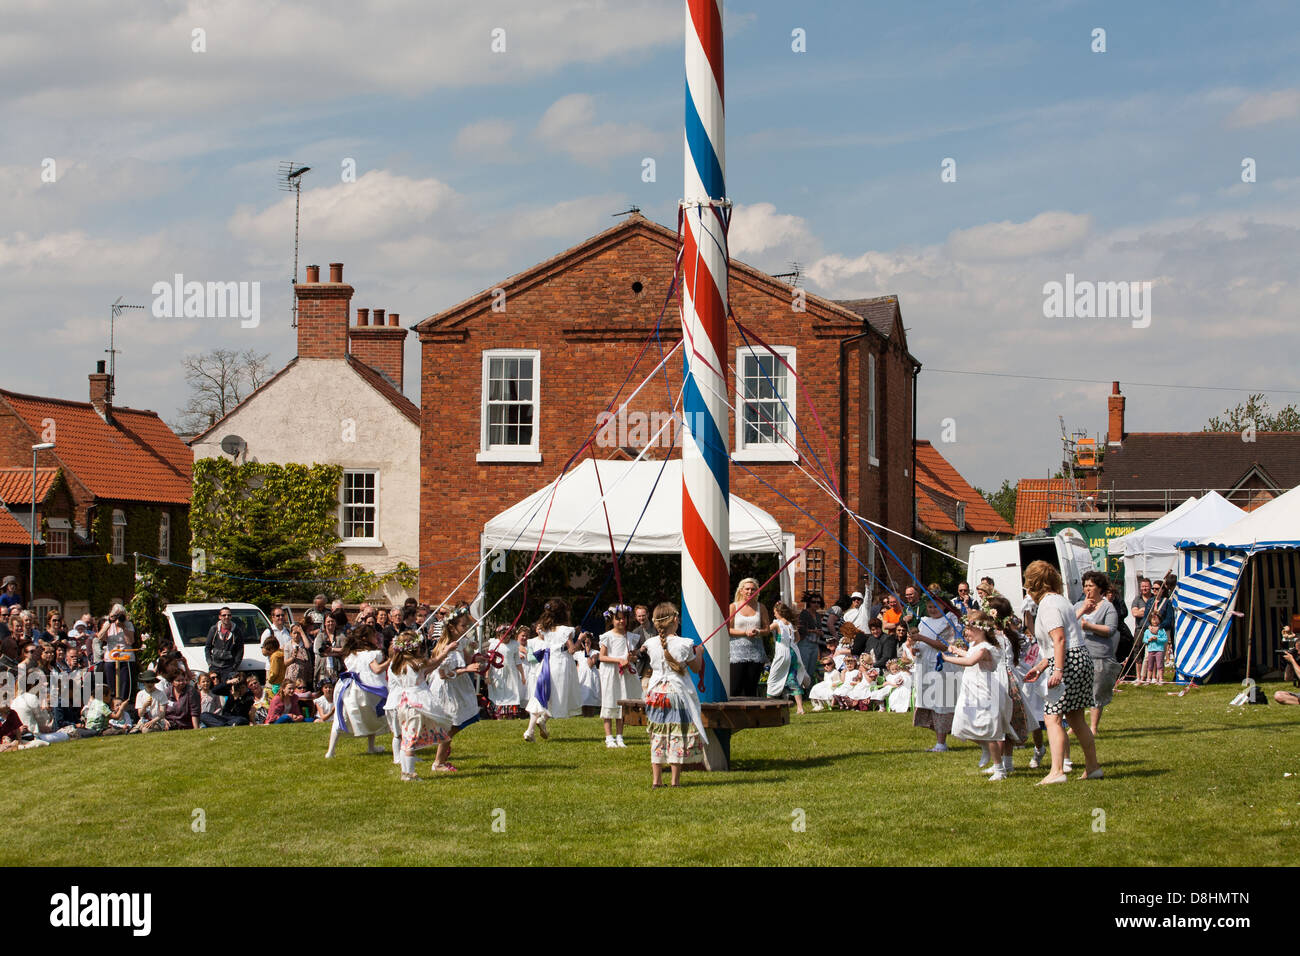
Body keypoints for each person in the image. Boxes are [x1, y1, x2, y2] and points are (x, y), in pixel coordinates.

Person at [1021, 560, 1102, 784]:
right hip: (1080, 658)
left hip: (1068, 661)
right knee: (1076, 719)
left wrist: (1057, 670)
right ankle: (1093, 767)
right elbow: (1060, 642)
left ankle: (1057, 771)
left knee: (1052, 717)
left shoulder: (1048, 605)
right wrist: (1039, 667)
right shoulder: (1061, 601)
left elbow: (1059, 639)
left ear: (1034, 583)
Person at [643, 602, 707, 787]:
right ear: (675, 619)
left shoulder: (650, 643)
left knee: (658, 734)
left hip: (655, 693)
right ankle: (675, 781)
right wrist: (700, 653)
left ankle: (656, 780)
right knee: (676, 735)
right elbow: (695, 669)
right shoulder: (685, 644)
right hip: (676, 693)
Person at [943, 613, 1012, 780]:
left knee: (988, 729)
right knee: (962, 725)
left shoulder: (985, 648)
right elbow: (968, 655)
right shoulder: (976, 645)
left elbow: (970, 661)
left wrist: (947, 658)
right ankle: (987, 750)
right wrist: (957, 650)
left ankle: (999, 769)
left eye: (970, 628)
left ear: (980, 630)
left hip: (983, 691)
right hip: (971, 691)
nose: (967, 632)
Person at [386, 630, 456, 781]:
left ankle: (406, 773)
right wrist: (447, 650)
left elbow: (429, 668)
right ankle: (409, 774)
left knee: (406, 739)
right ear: (414, 648)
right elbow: (434, 662)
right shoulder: (417, 663)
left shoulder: (399, 664)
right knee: (410, 741)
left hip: (404, 704)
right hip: (416, 703)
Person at [425, 606, 484, 771]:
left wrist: (477, 658)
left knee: (459, 722)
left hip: (458, 687)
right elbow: (443, 674)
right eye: (463, 626)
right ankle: (439, 762)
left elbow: (467, 658)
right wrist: (466, 669)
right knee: (451, 725)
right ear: (452, 627)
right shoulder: (445, 647)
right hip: (447, 689)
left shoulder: (461, 643)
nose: (466, 629)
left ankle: (443, 750)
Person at [325, 625, 389, 758]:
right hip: (366, 687)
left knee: (340, 717)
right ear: (365, 638)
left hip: (347, 687)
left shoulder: (351, 652)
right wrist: (391, 660)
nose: (376, 637)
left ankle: (330, 751)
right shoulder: (370, 654)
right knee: (371, 714)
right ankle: (371, 747)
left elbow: (342, 652)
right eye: (373, 635)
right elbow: (377, 670)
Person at [524, 598, 582, 741]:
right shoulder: (566, 630)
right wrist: (580, 638)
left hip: (546, 664)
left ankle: (530, 731)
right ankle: (543, 719)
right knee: (558, 695)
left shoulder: (544, 629)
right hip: (561, 664)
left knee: (541, 696)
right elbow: (572, 650)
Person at [910, 599, 961, 752]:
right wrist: (916, 648)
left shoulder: (948, 621)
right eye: (930, 607)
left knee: (941, 701)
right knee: (930, 700)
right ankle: (939, 740)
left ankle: (941, 742)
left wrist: (922, 638)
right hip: (925, 665)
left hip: (941, 666)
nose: (932, 609)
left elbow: (946, 645)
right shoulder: (924, 621)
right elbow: (920, 644)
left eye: (936, 606)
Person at [1075, 570, 1121, 737]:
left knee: (1096, 691)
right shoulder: (1077, 605)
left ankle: (1093, 727)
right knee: (1079, 691)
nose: (1087, 588)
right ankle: (1077, 724)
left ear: (1099, 588)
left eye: (1091, 585)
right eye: (1085, 585)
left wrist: (1089, 627)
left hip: (1099, 655)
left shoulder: (1108, 607)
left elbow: (1110, 629)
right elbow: (1069, 623)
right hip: (1080, 654)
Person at [598, 606, 641, 748]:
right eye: (618, 618)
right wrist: (619, 660)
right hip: (611, 672)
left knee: (622, 702)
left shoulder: (631, 637)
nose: (621, 621)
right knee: (610, 700)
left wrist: (630, 658)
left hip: (625, 673)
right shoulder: (608, 636)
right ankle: (609, 737)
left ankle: (620, 736)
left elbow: (634, 657)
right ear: (612, 620)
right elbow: (602, 656)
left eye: (624, 618)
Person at [728, 578, 770, 697]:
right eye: (747, 589)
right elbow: (728, 629)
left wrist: (758, 631)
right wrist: (745, 632)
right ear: (741, 590)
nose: (750, 592)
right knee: (735, 687)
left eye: (753, 589)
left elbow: (767, 630)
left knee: (751, 688)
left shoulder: (761, 607)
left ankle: (750, 713)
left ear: (757, 591)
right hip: (736, 654)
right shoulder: (733, 607)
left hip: (755, 653)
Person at [766, 601, 809, 714]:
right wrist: (792, 644)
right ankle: (800, 708)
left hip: (782, 653)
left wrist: (757, 631)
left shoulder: (777, 623)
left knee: (773, 678)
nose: (774, 614)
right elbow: (798, 638)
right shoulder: (791, 624)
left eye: (775, 612)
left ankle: (768, 707)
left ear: (779, 612)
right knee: (792, 678)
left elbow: (766, 631)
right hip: (794, 653)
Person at [486, 624, 527, 720]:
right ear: (499, 634)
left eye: (508, 634)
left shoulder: (514, 644)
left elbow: (517, 661)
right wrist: (487, 676)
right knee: (500, 692)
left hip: (511, 673)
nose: (506, 636)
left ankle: (510, 716)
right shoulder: (495, 644)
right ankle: (499, 716)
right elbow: (490, 661)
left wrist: (523, 675)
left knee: (512, 692)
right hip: (498, 672)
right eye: (503, 634)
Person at [100, 604, 139, 702]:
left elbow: (130, 641)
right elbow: (100, 637)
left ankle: (124, 703)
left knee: (124, 683)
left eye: (121, 615)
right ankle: (112, 702)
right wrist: (109, 622)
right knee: (111, 683)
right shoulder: (107, 624)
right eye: (116, 615)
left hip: (126, 657)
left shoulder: (128, 624)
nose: (119, 617)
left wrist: (123, 627)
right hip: (110, 657)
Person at [203, 607, 244, 684]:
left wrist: (235, 666)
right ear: (220, 617)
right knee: (214, 689)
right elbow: (207, 647)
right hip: (214, 666)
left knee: (227, 689)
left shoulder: (237, 631)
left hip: (229, 667)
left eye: (229, 615)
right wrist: (209, 663)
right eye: (224, 615)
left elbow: (240, 650)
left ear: (231, 616)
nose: (226, 617)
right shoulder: (213, 629)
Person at [1139, 613, 1169, 685]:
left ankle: (1160, 679)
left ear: (1159, 620)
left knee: (1159, 665)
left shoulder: (1161, 630)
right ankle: (1148, 679)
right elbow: (1144, 640)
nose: (1155, 621)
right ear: (1150, 620)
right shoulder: (1147, 631)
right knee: (1150, 665)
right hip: (1150, 650)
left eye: (1156, 619)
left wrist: (1157, 638)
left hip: (1159, 650)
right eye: (1153, 619)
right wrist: (1148, 640)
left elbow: (1165, 639)